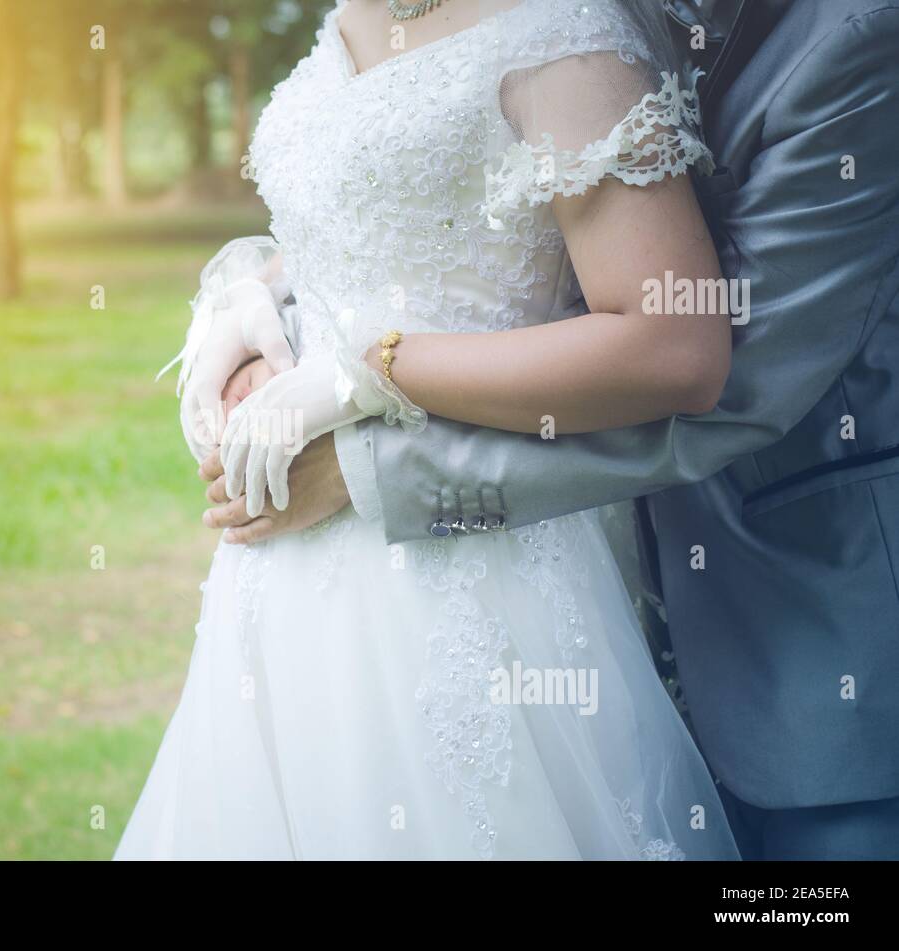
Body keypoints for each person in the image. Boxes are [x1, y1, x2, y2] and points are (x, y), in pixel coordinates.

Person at [117, 0, 742, 860]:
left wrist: (368, 369)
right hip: (279, 593)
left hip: (475, 574)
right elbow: (385, 217)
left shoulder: (561, 32)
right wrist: (255, 292)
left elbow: (675, 344)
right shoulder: (352, 14)